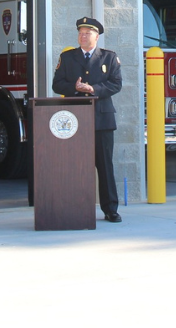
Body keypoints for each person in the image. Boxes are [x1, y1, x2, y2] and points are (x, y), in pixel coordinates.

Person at [52, 16, 123, 223]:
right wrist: (74, 88)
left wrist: (93, 89)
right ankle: (75, 206)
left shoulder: (109, 58)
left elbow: (116, 84)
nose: (83, 36)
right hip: (74, 120)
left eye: (88, 33)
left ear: (97, 36)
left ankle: (110, 209)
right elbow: (57, 84)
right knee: (75, 165)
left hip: (102, 119)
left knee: (105, 165)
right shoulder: (67, 57)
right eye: (80, 33)